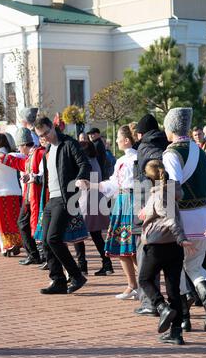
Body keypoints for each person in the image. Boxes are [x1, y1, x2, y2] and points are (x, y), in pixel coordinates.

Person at [163, 107, 206, 333]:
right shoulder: (200, 151)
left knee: (175, 267)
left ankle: (184, 319)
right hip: (203, 215)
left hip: (182, 218)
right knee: (195, 265)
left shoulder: (171, 153)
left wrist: (166, 214)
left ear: (171, 128)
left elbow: (174, 186)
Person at [138, 160, 194, 344]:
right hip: (174, 249)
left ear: (149, 178)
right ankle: (176, 333)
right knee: (174, 291)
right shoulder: (171, 192)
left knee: (144, 279)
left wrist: (181, 238)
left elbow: (169, 219)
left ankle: (162, 307)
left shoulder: (159, 194)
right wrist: (146, 212)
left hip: (157, 246)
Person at [34, 117, 91, 295]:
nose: (45, 137)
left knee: (53, 238)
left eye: (46, 133)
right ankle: (58, 280)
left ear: (53, 127)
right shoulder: (48, 149)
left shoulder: (69, 143)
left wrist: (81, 178)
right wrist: (34, 178)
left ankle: (76, 276)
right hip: (52, 199)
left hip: (66, 197)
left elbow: (84, 164)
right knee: (45, 240)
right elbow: (50, 175)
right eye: (41, 136)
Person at [84, 125, 138, 299]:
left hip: (130, 202)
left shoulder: (133, 159)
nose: (115, 141)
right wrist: (91, 185)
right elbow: (113, 183)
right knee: (125, 247)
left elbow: (119, 184)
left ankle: (141, 285)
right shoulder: (124, 160)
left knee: (131, 248)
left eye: (118, 138)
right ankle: (134, 286)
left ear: (127, 140)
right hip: (123, 202)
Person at [132, 113, 169, 316]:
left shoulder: (145, 148)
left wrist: (143, 210)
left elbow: (146, 181)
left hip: (147, 207)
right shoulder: (166, 145)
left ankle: (149, 302)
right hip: (167, 207)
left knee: (145, 254)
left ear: (140, 133)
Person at [0, 128, 45, 265]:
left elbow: (42, 174)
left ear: (23, 145)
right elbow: (21, 165)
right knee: (23, 224)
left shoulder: (38, 153)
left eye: (19, 146)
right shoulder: (31, 155)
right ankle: (34, 255)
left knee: (38, 226)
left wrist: (5, 159)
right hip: (29, 196)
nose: (19, 150)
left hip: (36, 196)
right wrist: (4, 158)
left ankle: (42, 256)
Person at [73, 139, 114, 276]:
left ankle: (82, 266)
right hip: (98, 199)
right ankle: (107, 263)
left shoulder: (85, 164)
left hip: (85, 200)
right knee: (96, 235)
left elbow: (79, 183)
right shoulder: (95, 161)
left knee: (78, 234)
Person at [0, 134, 23, 256]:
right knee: (13, 219)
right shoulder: (12, 154)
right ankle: (16, 241)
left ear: (1, 142)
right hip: (12, 191)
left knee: (1, 221)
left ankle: (7, 246)